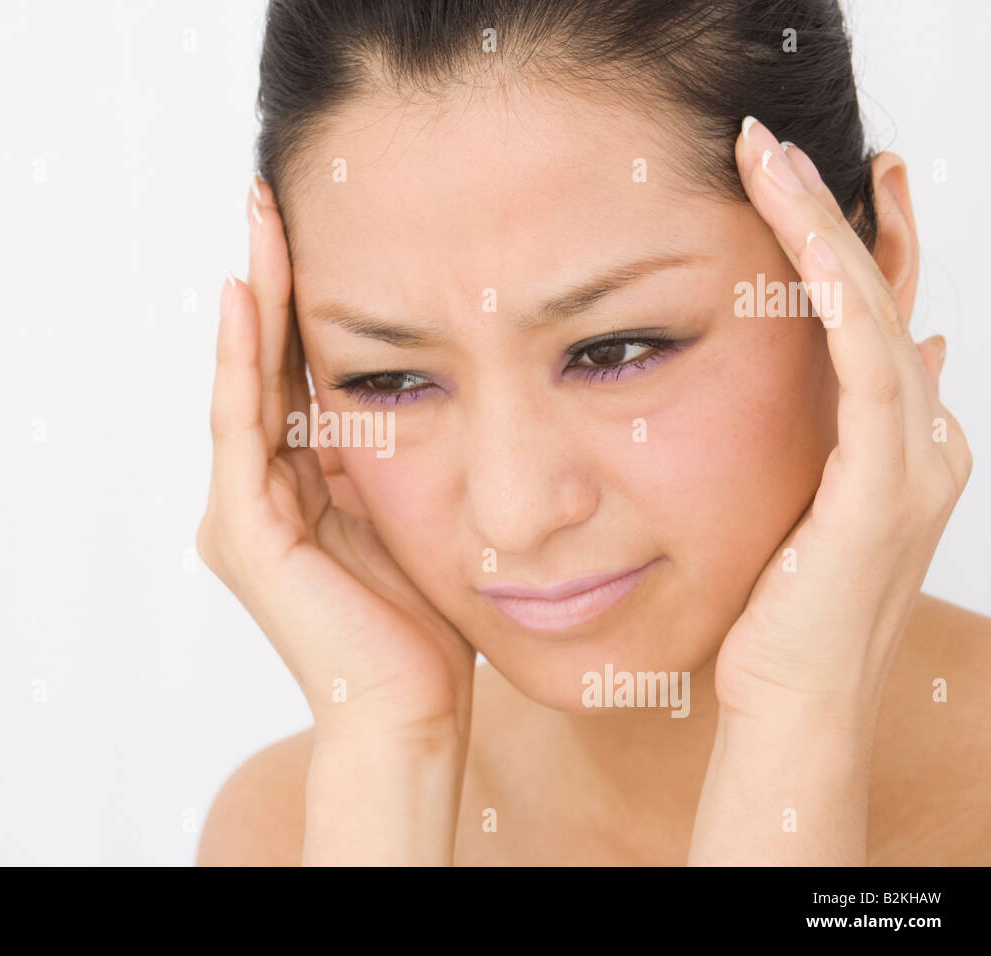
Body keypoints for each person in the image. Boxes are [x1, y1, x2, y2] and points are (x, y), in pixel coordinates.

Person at [196, 0, 988, 865]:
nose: (513, 516)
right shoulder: (291, 829)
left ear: (874, 270)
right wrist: (394, 757)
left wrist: (800, 717)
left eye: (615, 351)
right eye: (389, 381)